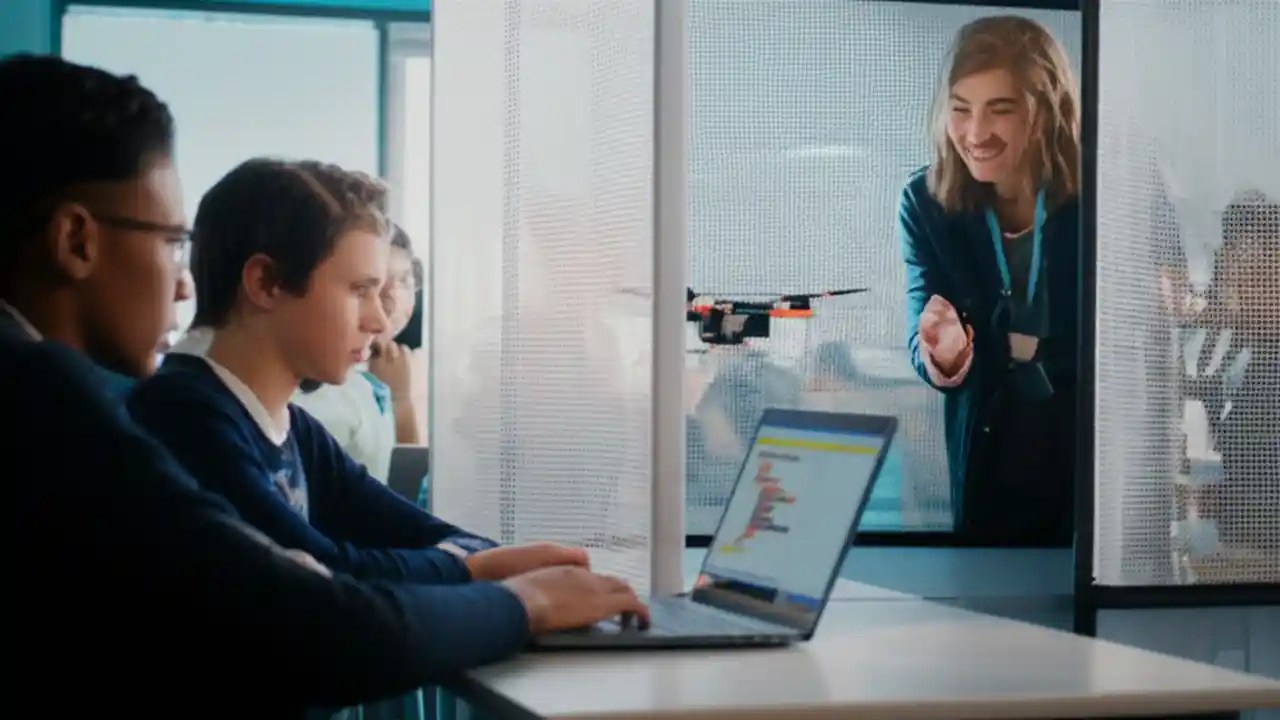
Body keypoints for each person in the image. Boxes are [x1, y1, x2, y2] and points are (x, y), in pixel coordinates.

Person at [0, 54, 647, 717]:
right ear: (75, 239)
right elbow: (320, 626)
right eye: (169, 242)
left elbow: (373, 552)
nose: (183, 281)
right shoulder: (49, 395)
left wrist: (498, 565)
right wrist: (524, 599)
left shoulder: (62, 390)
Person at [129, 156, 603, 584]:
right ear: (266, 283)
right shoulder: (186, 414)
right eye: (360, 290)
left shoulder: (292, 427)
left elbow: (409, 529)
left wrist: (514, 561)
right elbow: (321, 568)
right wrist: (473, 567)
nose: (378, 322)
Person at [898, 16, 1080, 544]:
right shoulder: (925, 203)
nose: (975, 134)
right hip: (988, 451)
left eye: (1000, 111)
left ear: (1044, 113)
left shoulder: (1104, 188)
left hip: (1089, 456)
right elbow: (923, 333)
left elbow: (1123, 346)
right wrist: (946, 354)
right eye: (961, 110)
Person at [293, 222, 424, 483]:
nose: (391, 298)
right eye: (371, 285)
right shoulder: (327, 382)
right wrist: (401, 399)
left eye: (403, 280)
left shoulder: (389, 372)